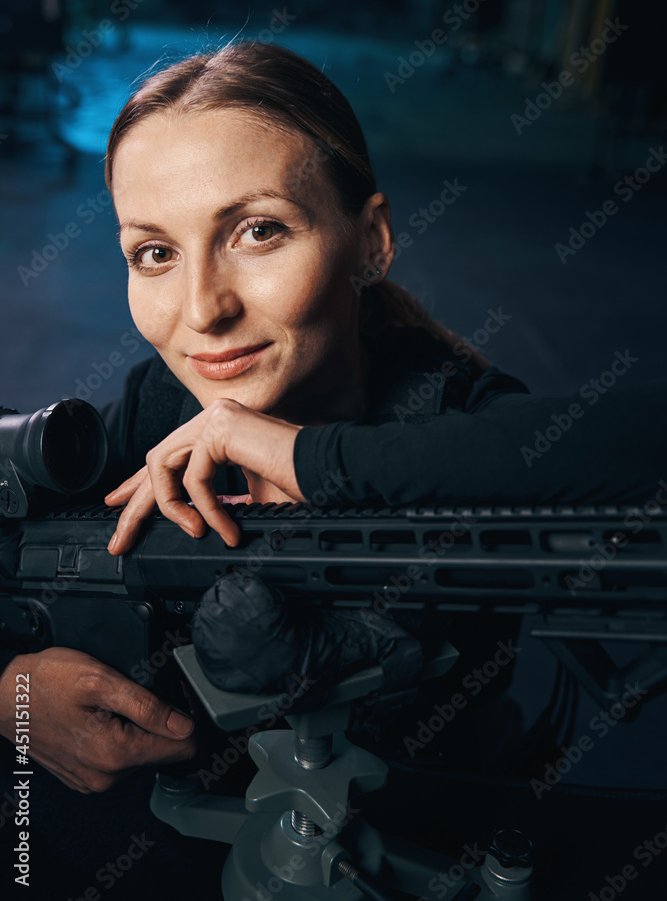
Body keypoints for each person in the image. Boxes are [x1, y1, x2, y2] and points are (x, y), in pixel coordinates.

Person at [0, 40, 665, 797]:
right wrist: (12, 698)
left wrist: (310, 458)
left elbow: (640, 446)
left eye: (257, 231)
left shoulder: (450, 411)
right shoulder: (155, 411)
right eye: (154, 252)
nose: (201, 310)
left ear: (370, 243)